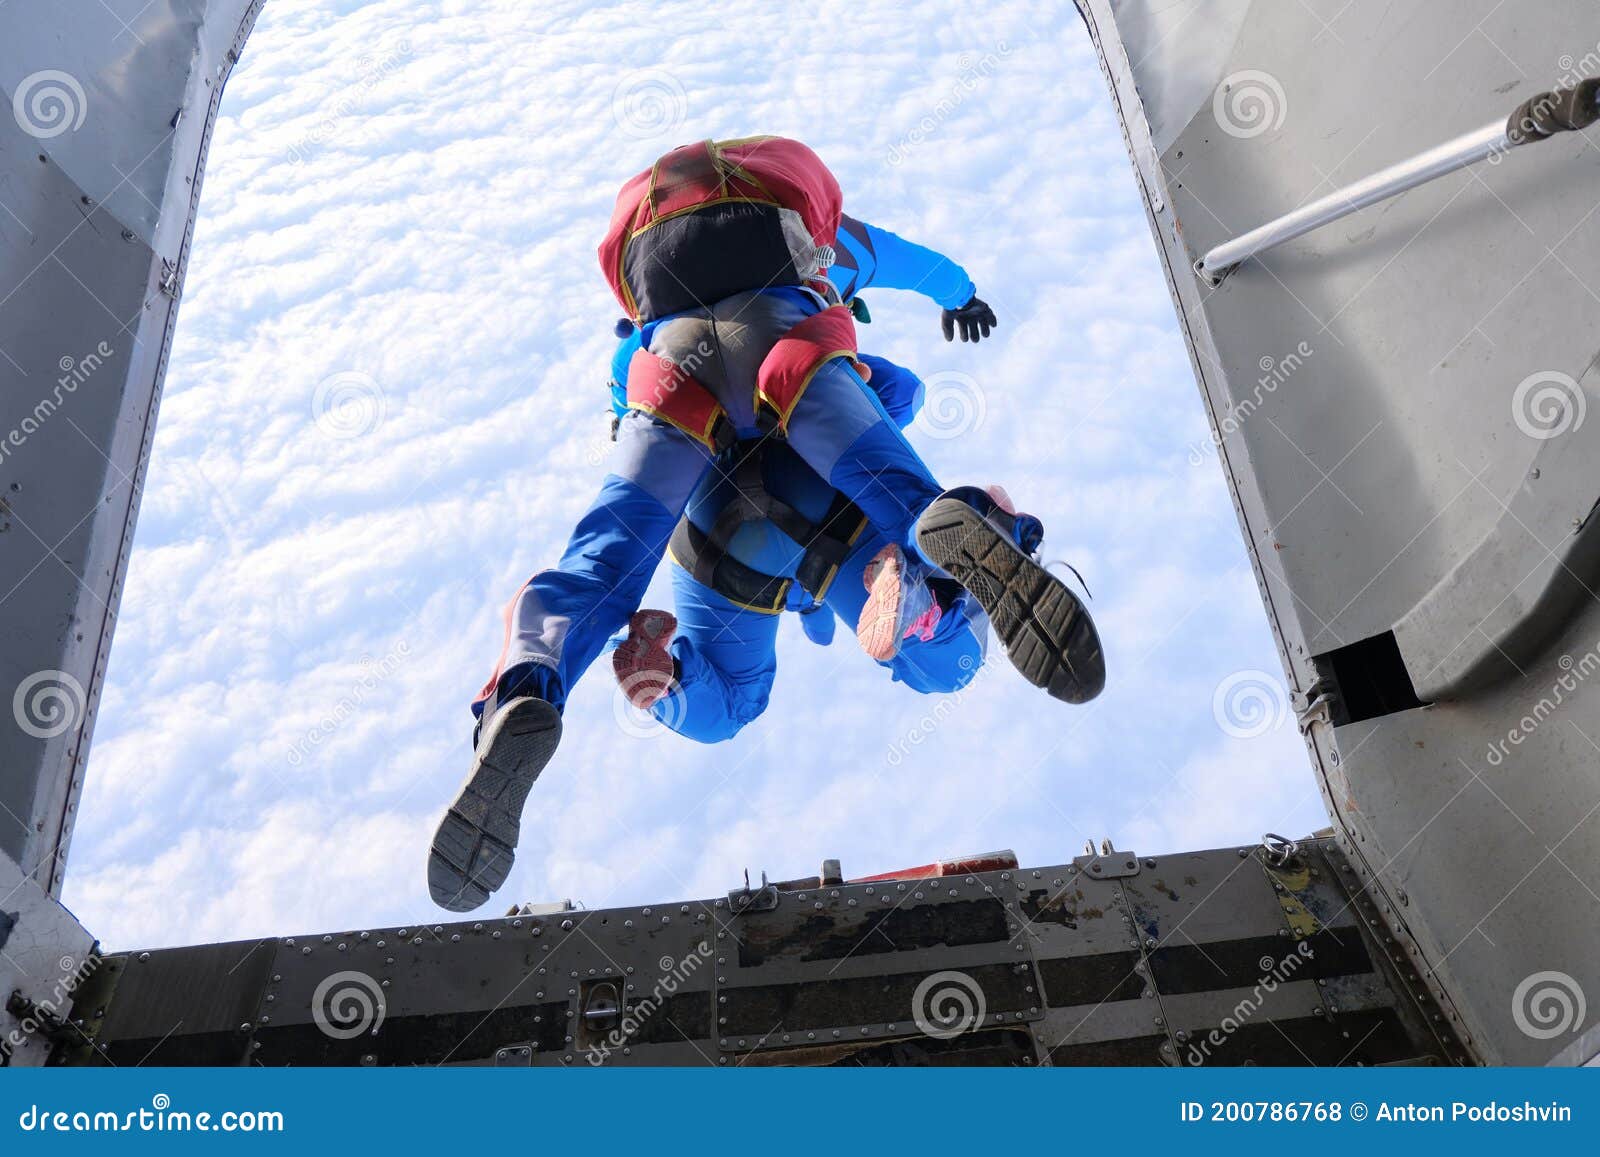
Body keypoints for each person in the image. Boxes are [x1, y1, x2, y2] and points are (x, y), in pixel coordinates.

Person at [428, 137, 1103, 912]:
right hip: (797, 376)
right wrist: (963, 294)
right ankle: (925, 578)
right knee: (921, 598)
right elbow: (907, 269)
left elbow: (625, 399)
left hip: (682, 413)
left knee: (621, 575)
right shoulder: (825, 255)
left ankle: (533, 676)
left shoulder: (648, 338)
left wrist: (651, 406)